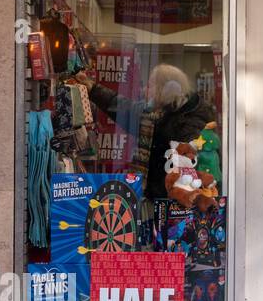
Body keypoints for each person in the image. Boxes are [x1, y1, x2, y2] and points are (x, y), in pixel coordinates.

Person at [74, 63, 217, 201]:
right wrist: (92, 88)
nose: (144, 89)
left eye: (150, 85)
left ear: (165, 89)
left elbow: (187, 161)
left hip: (175, 200)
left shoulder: (188, 119)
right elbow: (123, 107)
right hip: (156, 197)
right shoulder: (155, 114)